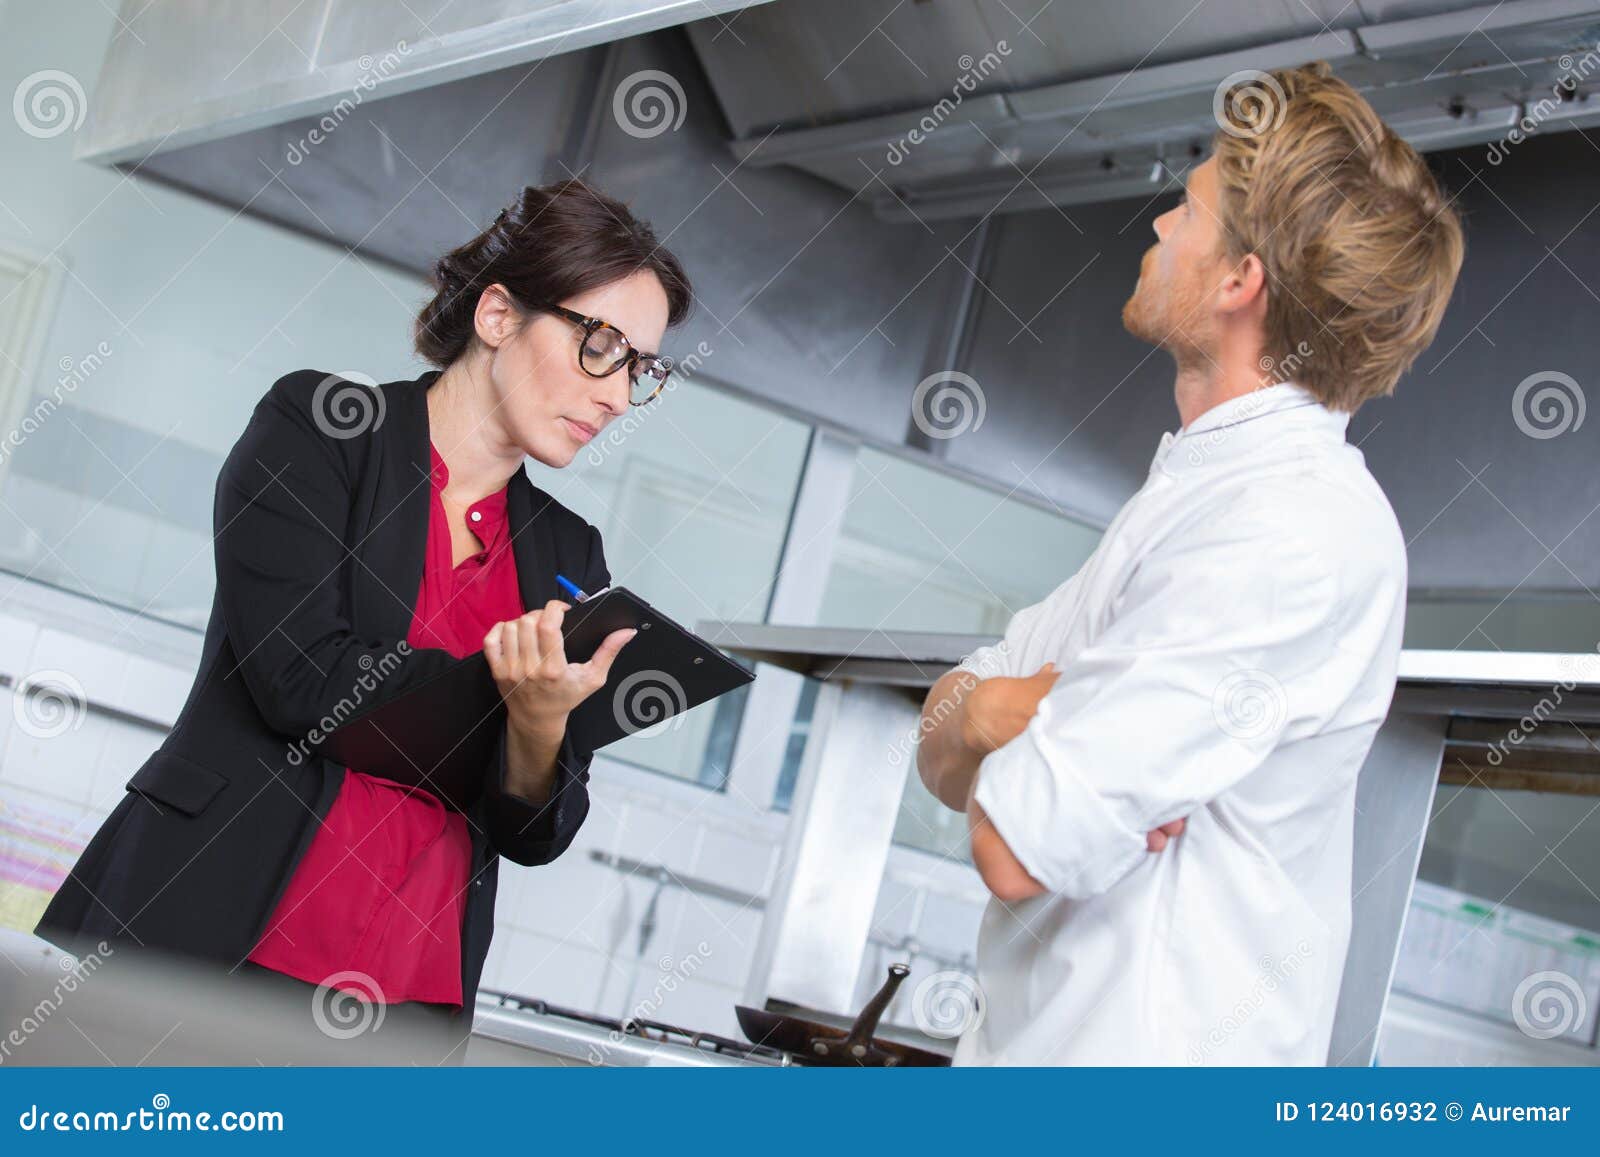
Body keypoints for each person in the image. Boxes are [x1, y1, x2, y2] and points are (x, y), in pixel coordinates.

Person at [35, 179, 691, 1063]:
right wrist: (511, 703)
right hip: (209, 947)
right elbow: (303, 677)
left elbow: (540, 829)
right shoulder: (321, 430)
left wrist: (539, 731)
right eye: (601, 345)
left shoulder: (570, 552)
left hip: (408, 1006)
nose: (616, 396)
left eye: (641, 369)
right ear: (499, 315)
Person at [915, 61, 1464, 1065]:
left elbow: (1011, 843)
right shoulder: (1195, 499)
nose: (1162, 223)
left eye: (1188, 206)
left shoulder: (1289, 531)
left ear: (1238, 281)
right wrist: (993, 714)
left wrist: (1006, 736)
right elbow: (945, 738)